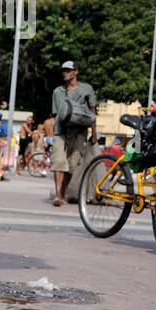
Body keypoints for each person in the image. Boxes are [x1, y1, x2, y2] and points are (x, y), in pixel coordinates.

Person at [50, 59, 98, 206]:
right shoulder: (57, 92)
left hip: (79, 132)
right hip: (60, 131)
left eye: (68, 70)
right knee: (58, 161)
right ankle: (58, 195)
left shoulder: (86, 89)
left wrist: (94, 134)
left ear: (75, 72)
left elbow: (92, 112)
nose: (65, 73)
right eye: (64, 71)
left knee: (72, 165)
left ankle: (63, 193)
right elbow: (54, 114)